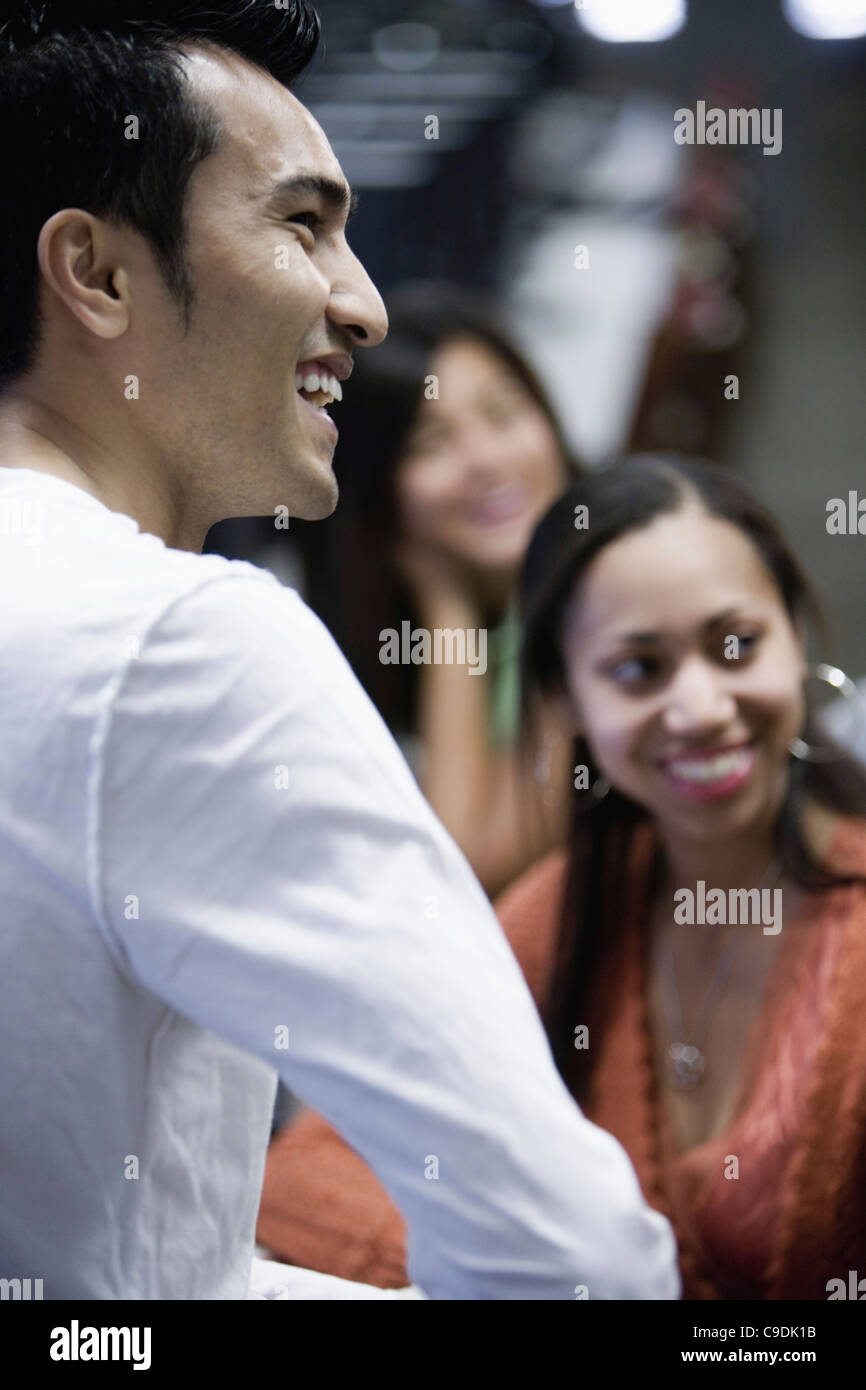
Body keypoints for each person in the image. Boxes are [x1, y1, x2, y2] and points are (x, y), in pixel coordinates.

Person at [0, 4, 678, 1301]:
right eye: (301, 224)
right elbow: (571, 1260)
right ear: (95, 272)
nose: (360, 304)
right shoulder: (184, 637)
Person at [256, 454, 866, 1300]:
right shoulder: (576, 901)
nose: (700, 708)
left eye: (737, 646)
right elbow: (306, 1171)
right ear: (568, 700)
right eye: (638, 669)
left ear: (795, 638)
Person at [295, 282, 578, 898]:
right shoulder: (343, 652)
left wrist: (442, 598)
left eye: (503, 414)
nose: (483, 459)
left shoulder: (601, 597)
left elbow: (467, 864)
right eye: (431, 441)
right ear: (380, 495)